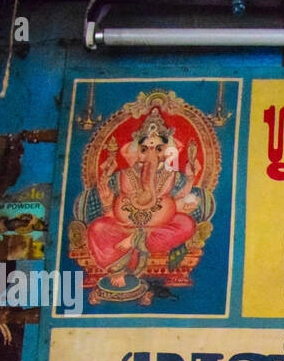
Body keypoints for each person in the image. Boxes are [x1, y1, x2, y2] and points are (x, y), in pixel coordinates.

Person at [85, 107, 202, 288]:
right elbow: (110, 215)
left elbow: (182, 199)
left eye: (158, 148)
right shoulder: (122, 176)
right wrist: (107, 203)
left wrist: (190, 179)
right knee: (98, 228)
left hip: (155, 232)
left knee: (186, 224)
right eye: (145, 148)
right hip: (123, 229)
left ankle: (135, 241)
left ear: (166, 151)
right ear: (137, 151)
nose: (151, 154)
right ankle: (118, 268)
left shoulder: (173, 176)